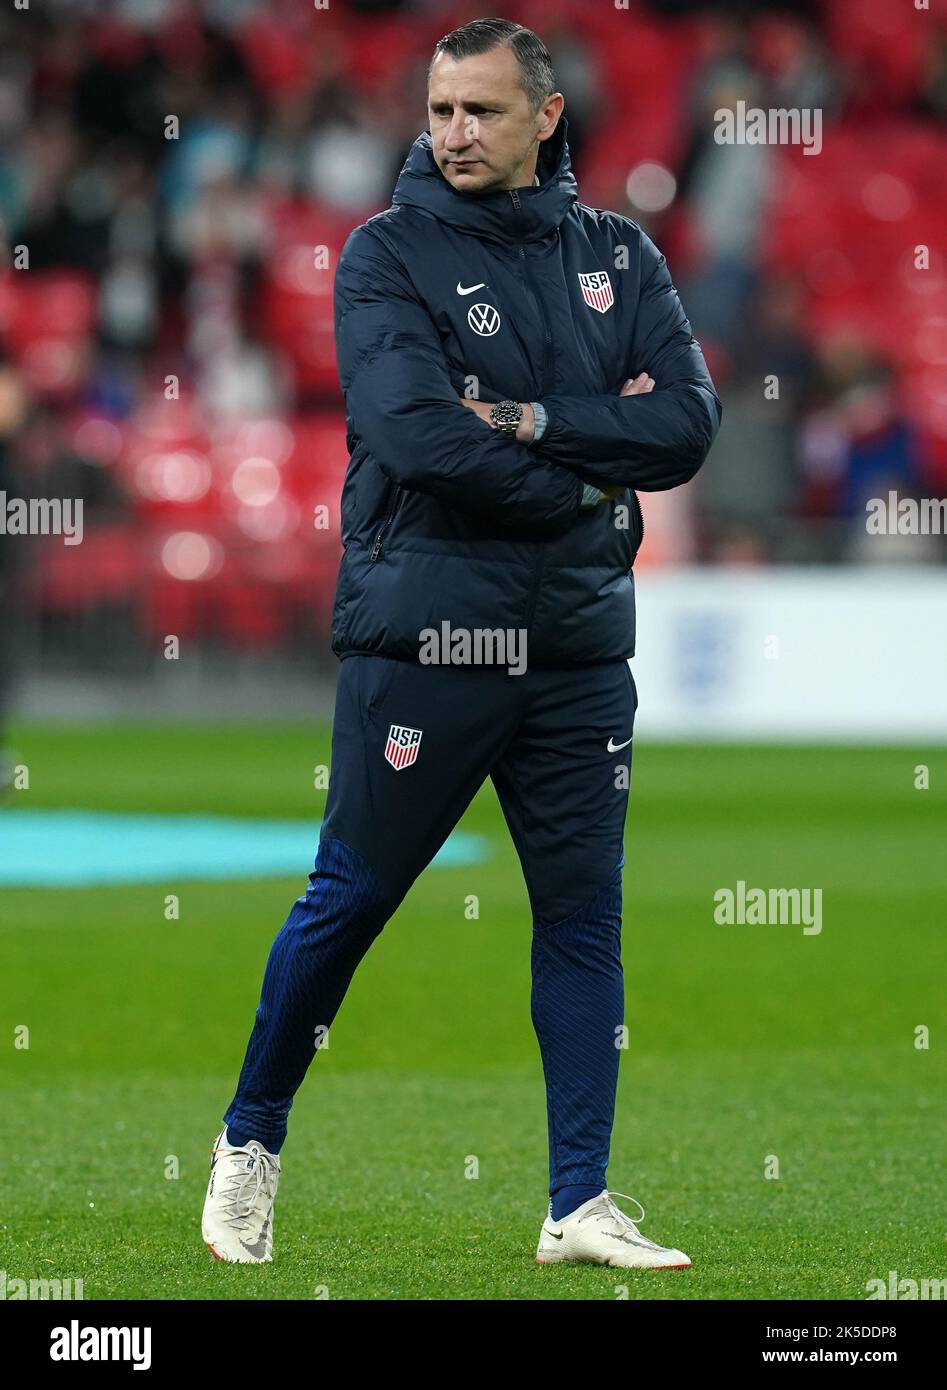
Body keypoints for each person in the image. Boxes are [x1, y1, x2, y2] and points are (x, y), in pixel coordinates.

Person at [202, 17, 721, 1270]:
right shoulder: (386, 255)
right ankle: (248, 1140)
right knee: (354, 896)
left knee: (582, 917)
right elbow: (414, 433)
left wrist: (536, 418)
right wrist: (586, 481)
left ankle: (576, 1202)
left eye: (481, 112)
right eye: (440, 111)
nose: (453, 134)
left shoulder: (617, 252)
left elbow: (688, 425)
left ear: (546, 118)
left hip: (579, 645)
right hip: (430, 632)